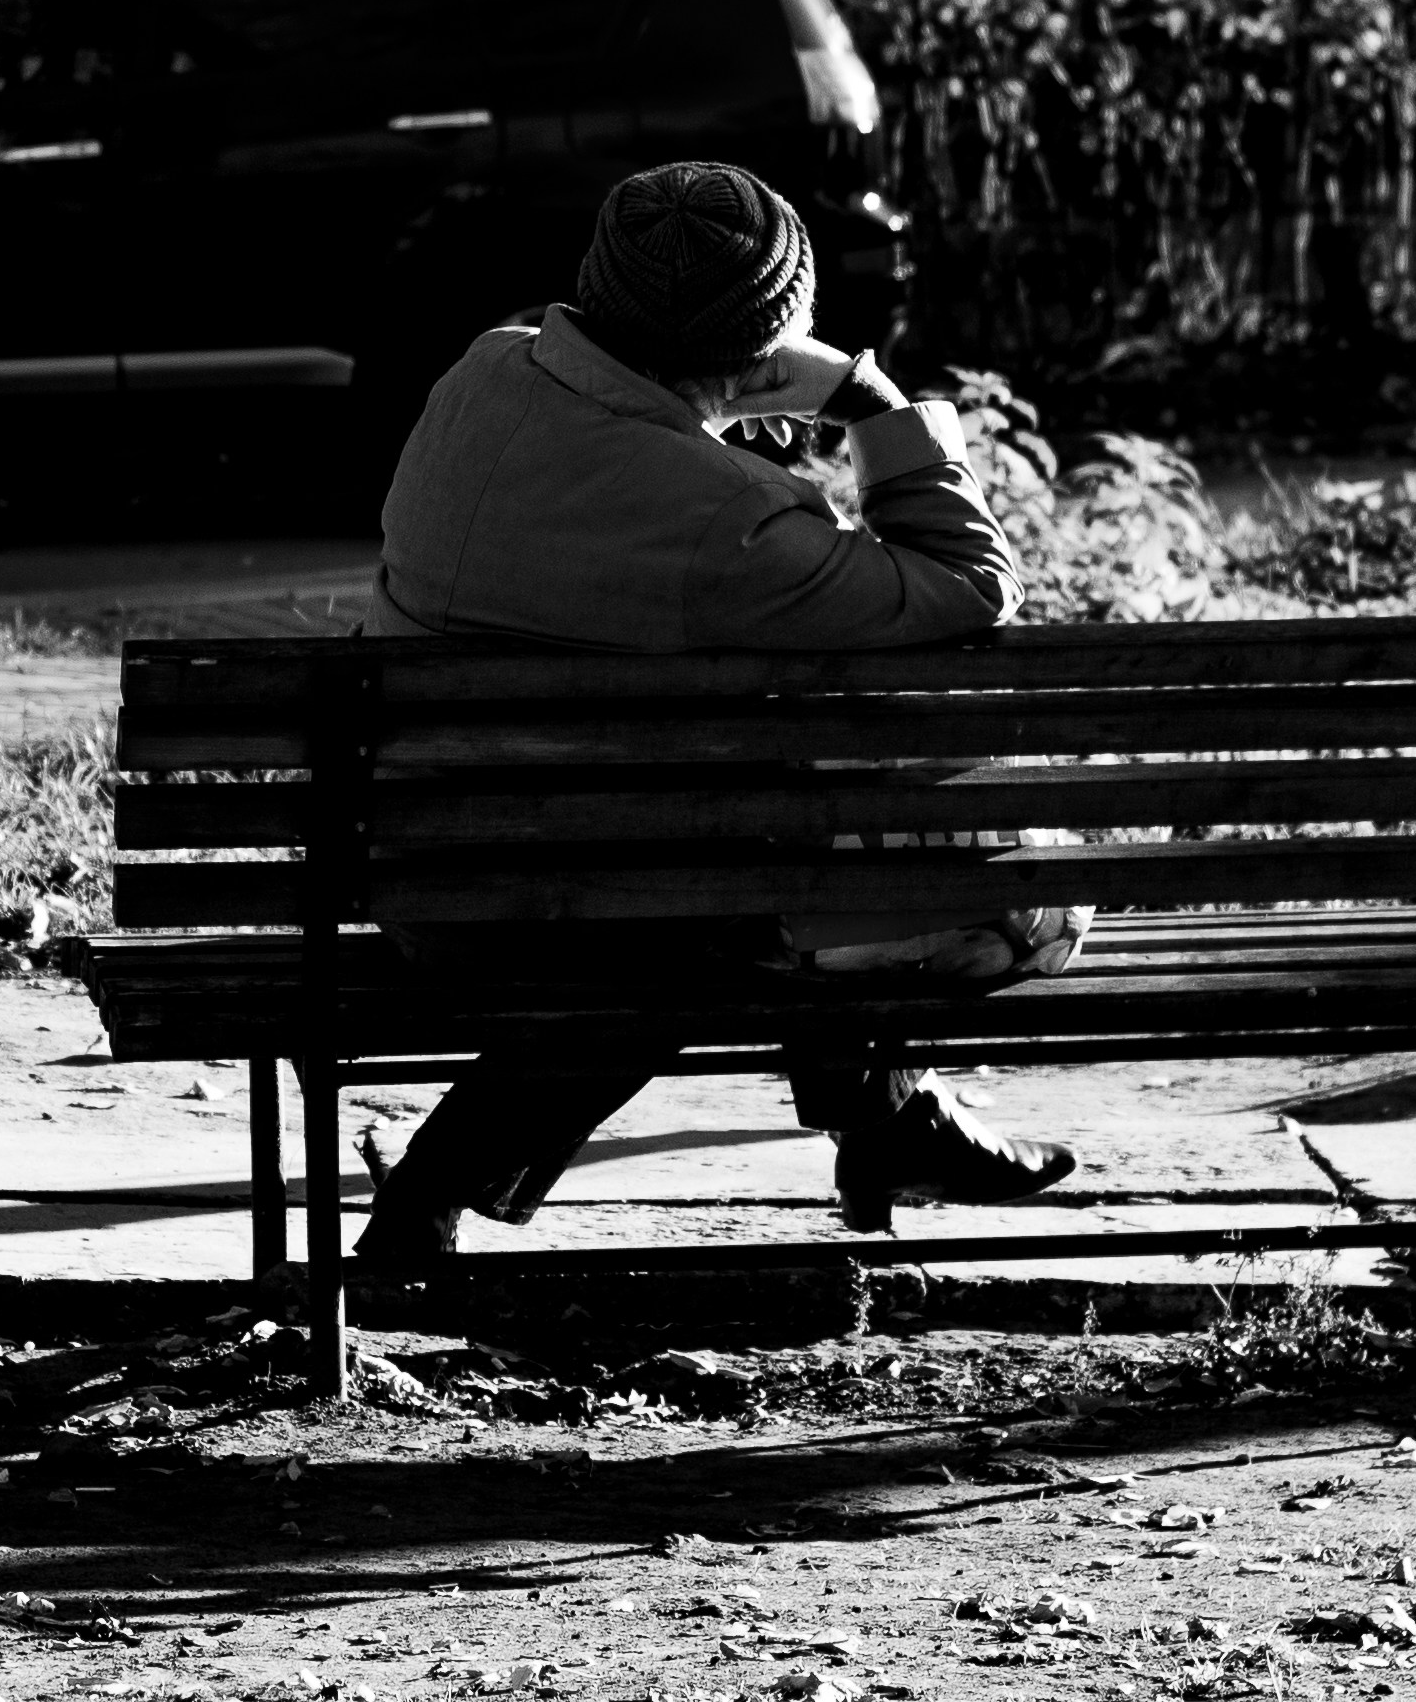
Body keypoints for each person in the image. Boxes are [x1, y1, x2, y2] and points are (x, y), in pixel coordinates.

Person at [351, 160, 1083, 1262]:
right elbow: (972, 584)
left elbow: (612, 475)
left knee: (762, 842)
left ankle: (893, 1118)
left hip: (416, 878)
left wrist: (710, 408)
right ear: (766, 347)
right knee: (1021, 899)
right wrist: (872, 403)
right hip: (594, 916)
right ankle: (433, 1191)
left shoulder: (480, 374)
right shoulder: (731, 521)